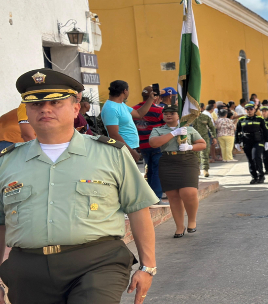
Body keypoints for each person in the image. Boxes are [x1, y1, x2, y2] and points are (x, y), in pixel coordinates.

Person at [0, 68, 158, 304]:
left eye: (55, 103)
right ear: (27, 111)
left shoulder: (110, 153)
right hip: (27, 268)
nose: (45, 109)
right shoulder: (7, 161)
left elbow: (138, 207)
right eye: (35, 104)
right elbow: (2, 223)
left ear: (76, 108)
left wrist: (148, 266)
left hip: (97, 263)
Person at [149, 106, 206, 238]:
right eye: (166, 114)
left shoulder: (188, 129)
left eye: (172, 113)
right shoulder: (158, 130)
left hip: (187, 160)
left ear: (178, 115)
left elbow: (202, 144)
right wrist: (173, 133)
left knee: (189, 192)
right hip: (168, 161)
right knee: (173, 196)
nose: (169, 116)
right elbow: (154, 143)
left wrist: (190, 146)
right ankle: (179, 226)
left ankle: (192, 220)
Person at [101, 80, 157, 163]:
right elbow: (113, 134)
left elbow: (139, 113)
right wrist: (130, 151)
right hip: (122, 150)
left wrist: (151, 99)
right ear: (125, 91)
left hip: (130, 148)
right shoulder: (111, 108)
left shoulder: (120, 104)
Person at [132, 86, 166, 203]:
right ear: (154, 97)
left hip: (141, 146)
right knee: (156, 171)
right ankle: (156, 197)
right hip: (156, 145)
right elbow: (164, 127)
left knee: (149, 171)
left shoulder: (134, 109)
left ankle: (149, 197)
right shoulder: (159, 111)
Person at [235, 103, 268, 184]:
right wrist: (236, 142)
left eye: (251, 109)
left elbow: (265, 131)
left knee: (256, 158)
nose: (249, 111)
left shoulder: (259, 119)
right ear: (245, 110)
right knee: (250, 160)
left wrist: (267, 141)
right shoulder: (241, 120)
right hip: (247, 142)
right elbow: (237, 131)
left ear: (254, 110)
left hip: (257, 141)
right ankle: (254, 177)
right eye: (247, 109)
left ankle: (261, 175)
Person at [191, 107, 217, 178]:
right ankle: (197, 169)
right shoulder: (190, 118)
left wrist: (214, 137)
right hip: (193, 138)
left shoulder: (205, 117)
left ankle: (205, 169)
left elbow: (211, 127)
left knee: (205, 154)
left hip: (204, 137)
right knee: (195, 155)